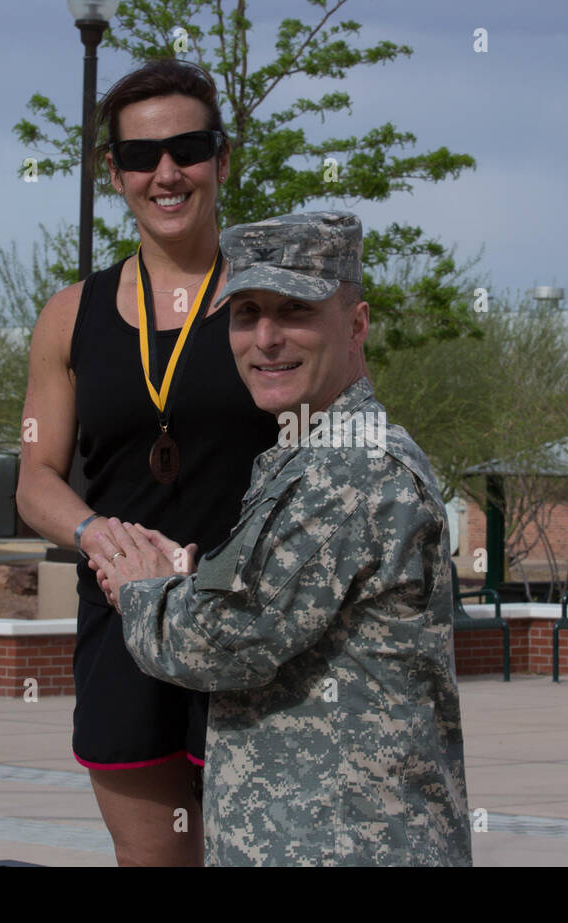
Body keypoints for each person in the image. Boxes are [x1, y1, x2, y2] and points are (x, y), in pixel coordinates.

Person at [92, 211, 473, 866]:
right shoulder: (306, 456)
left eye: (294, 311)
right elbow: (270, 598)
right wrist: (186, 578)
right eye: (246, 313)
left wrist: (141, 590)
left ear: (356, 325)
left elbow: (227, 641)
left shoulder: (350, 467)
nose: (265, 339)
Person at [15, 59, 277, 867]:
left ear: (223, 159)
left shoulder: (271, 301)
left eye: (188, 148)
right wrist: (99, 537)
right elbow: (35, 479)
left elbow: (337, 452)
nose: (166, 173)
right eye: (140, 156)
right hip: (125, 627)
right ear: (114, 173)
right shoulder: (70, 314)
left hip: (252, 625)